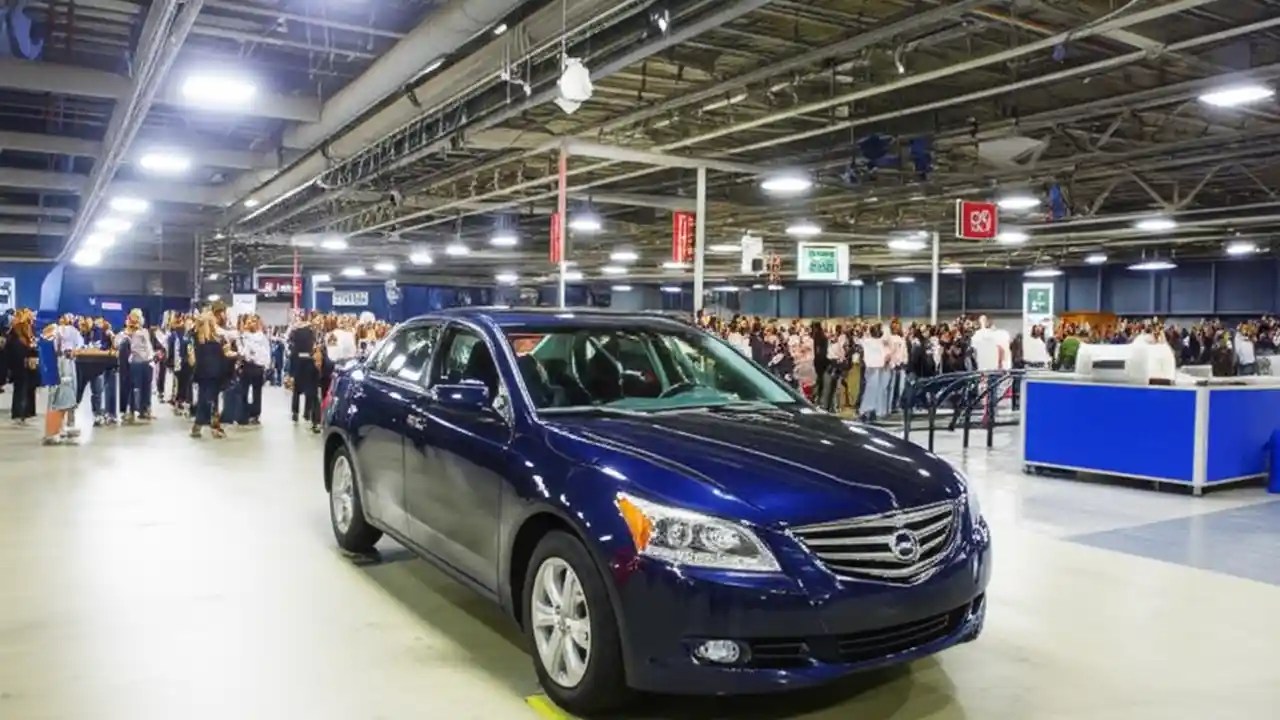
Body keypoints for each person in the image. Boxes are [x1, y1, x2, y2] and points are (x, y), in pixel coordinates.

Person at [191, 313, 227, 439]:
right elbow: (221, 359)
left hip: (203, 375)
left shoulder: (198, 340)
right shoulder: (214, 343)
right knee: (210, 401)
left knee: (205, 400)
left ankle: (202, 425)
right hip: (213, 374)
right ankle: (205, 424)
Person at [5, 309, 39, 425]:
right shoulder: (18, 330)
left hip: (27, 363)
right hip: (20, 363)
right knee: (21, 388)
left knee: (27, 388)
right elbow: (14, 347)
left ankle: (26, 412)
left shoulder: (28, 329)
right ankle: (19, 413)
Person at [238, 314, 271, 425]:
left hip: (258, 367)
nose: (252, 323)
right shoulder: (243, 336)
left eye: (254, 321)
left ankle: (255, 414)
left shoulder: (262, 337)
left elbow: (266, 353)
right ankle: (243, 414)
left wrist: (265, 366)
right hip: (246, 366)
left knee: (257, 393)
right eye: (249, 321)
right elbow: (242, 351)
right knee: (243, 391)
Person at [124, 309, 155, 422]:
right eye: (132, 316)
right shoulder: (127, 333)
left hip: (146, 363)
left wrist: (151, 359)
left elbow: (148, 347)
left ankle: (145, 410)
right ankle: (131, 411)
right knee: (134, 388)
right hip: (134, 363)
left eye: (136, 317)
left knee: (146, 388)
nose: (134, 319)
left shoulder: (144, 332)